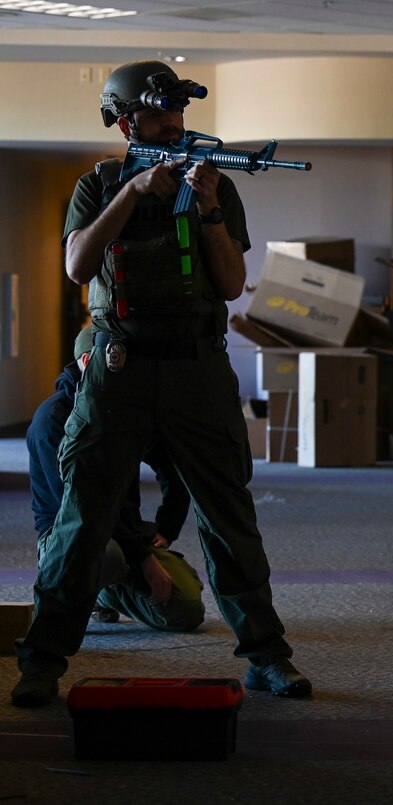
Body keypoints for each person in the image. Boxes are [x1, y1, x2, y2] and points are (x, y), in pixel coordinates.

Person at [11, 60, 310, 707]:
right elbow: (77, 264)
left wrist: (206, 210)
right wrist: (133, 192)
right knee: (82, 515)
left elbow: (231, 284)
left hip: (198, 369)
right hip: (119, 368)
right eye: (158, 113)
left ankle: (265, 654)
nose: (174, 124)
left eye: (179, 112)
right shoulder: (99, 185)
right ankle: (42, 661)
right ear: (126, 122)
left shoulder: (215, 188)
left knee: (229, 515)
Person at [26, 325, 204, 632]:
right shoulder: (53, 421)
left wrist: (167, 524)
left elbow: (172, 463)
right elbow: (83, 509)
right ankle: (74, 589)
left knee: (186, 610)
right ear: (86, 362)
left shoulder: (123, 407)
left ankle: (107, 588)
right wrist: (144, 558)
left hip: (123, 532)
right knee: (103, 555)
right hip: (68, 533)